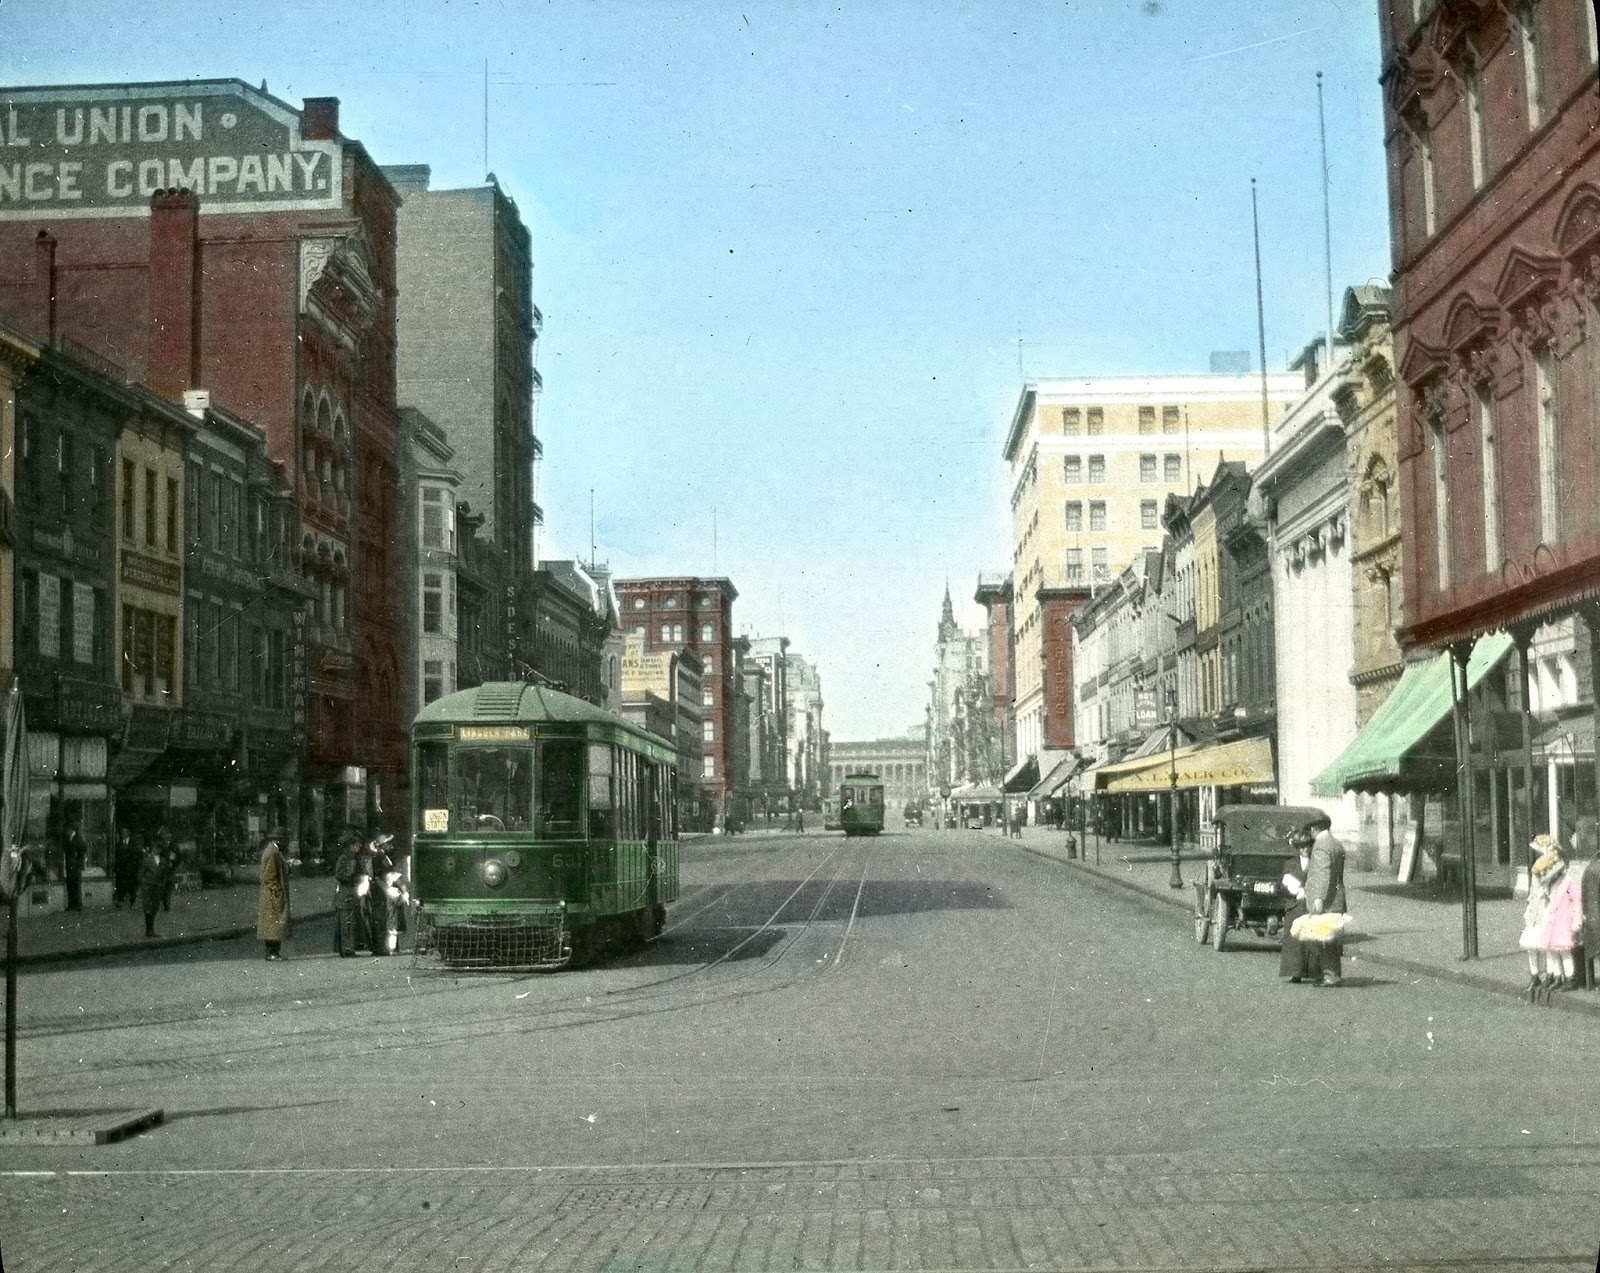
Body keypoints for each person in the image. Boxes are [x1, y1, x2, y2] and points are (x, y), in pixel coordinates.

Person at [1279, 817, 1346, 986]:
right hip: (1337, 897)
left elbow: (1323, 874)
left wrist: (1318, 899)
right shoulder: (1336, 844)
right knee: (1329, 937)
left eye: (1311, 830)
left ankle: (1330, 976)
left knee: (1325, 940)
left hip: (1326, 901)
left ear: (1316, 828)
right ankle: (1330, 974)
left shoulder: (1321, 847)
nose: (1311, 834)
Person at [332, 831, 366, 957]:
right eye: (357, 844)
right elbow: (339, 875)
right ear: (351, 845)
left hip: (351, 894)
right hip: (346, 894)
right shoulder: (345, 858)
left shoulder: (353, 858)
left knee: (350, 923)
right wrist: (354, 877)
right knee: (347, 924)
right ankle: (347, 950)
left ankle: (348, 948)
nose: (359, 846)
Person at [256, 836, 290, 960]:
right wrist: (277, 891)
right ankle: (272, 953)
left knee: (274, 924)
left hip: (271, 895)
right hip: (272, 896)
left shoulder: (273, 851)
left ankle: (274, 952)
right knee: (273, 925)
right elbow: (269, 876)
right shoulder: (272, 852)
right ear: (279, 840)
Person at [137, 837, 165, 939]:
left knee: (155, 907)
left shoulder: (163, 860)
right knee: (148, 908)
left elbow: (164, 873)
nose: (156, 850)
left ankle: (151, 929)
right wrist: (144, 885)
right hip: (148, 887)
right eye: (155, 848)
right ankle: (149, 930)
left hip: (157, 887)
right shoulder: (147, 860)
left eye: (159, 848)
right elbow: (140, 875)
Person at [63, 815, 88, 913]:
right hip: (70, 866)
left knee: (76, 885)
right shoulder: (69, 839)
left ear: (71, 830)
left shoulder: (78, 839)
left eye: (67, 830)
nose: (66, 832)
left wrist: (80, 861)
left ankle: (78, 905)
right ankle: (72, 904)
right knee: (70, 885)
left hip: (75, 866)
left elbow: (84, 850)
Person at [112, 826, 140, 910]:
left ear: (128, 834)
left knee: (132, 887)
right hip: (121, 870)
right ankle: (120, 902)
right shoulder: (118, 845)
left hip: (131, 870)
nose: (123, 835)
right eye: (122, 833)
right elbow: (116, 857)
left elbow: (137, 857)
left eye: (125, 833)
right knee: (120, 886)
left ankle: (132, 902)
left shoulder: (134, 845)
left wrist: (135, 868)